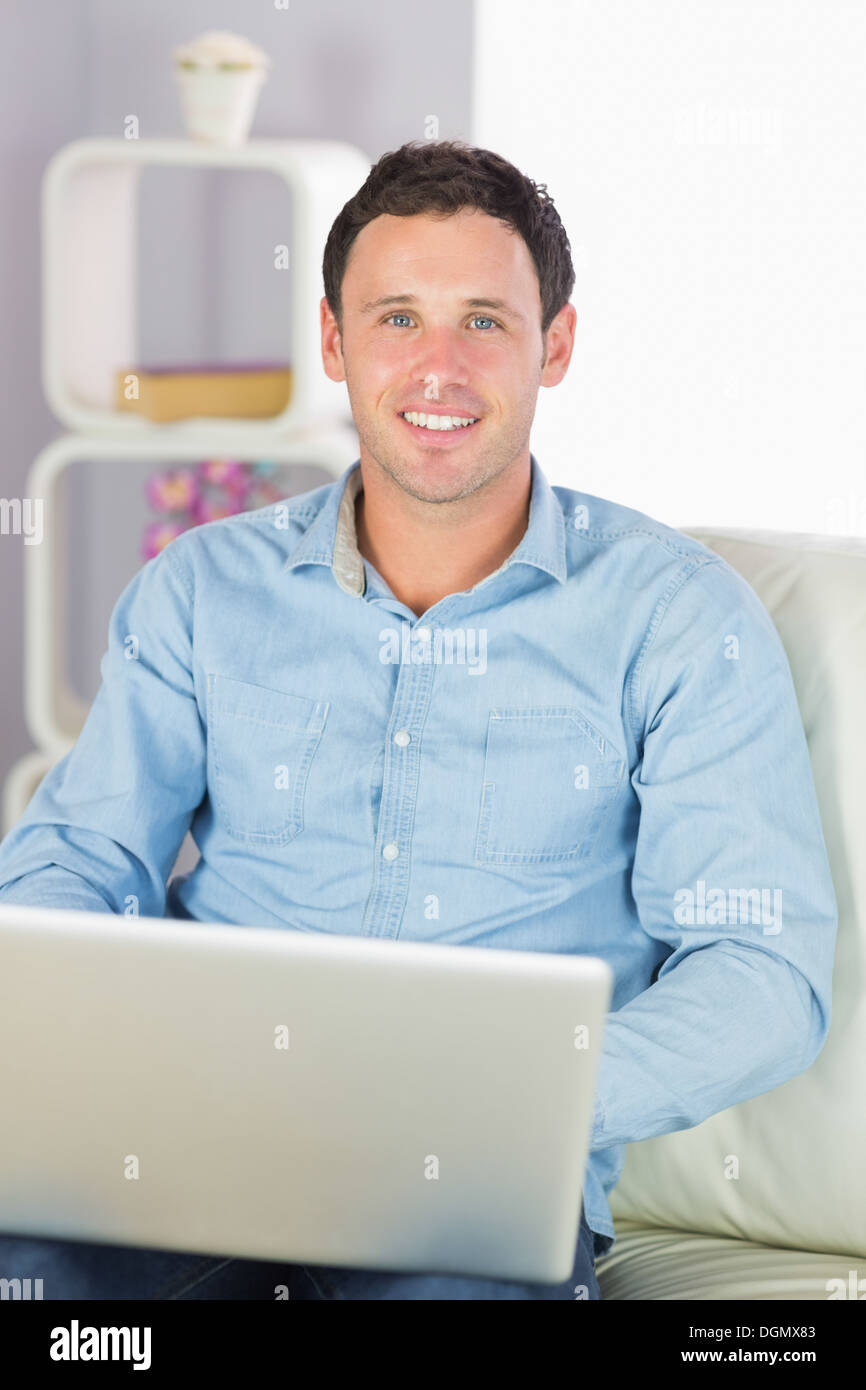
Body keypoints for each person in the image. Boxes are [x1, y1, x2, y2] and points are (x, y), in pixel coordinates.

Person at [0, 140, 838, 1300]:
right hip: (185, 1173)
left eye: (482, 322)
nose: (435, 366)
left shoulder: (681, 622)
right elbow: (75, 864)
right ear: (336, 344)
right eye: (396, 318)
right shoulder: (199, 591)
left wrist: (502, 1095)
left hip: (472, 1212)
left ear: (555, 344)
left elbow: (760, 974)